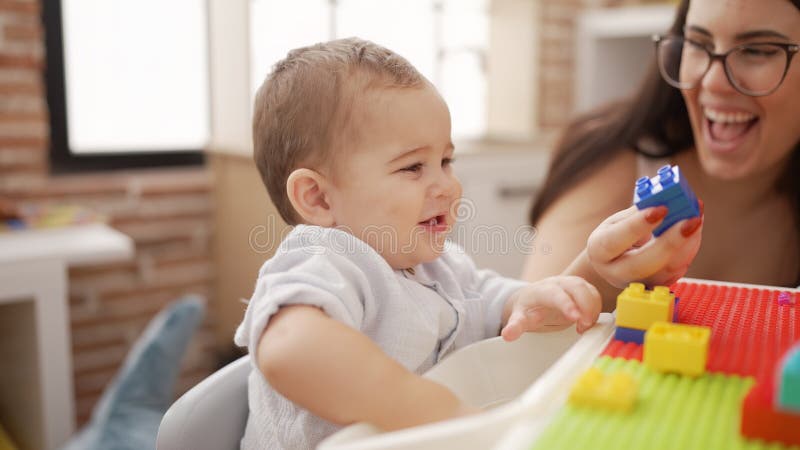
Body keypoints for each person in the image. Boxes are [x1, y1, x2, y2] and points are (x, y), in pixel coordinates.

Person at [234, 38, 603, 450]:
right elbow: (290, 348)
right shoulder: (327, 260)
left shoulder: (436, 264)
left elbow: (483, 296)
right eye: (413, 167)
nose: (448, 186)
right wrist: (437, 411)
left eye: (446, 161)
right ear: (319, 198)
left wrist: (527, 301)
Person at [523, 0, 800, 310]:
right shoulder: (608, 159)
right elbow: (525, 343)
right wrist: (601, 279)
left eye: (758, 50)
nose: (712, 81)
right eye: (697, 43)